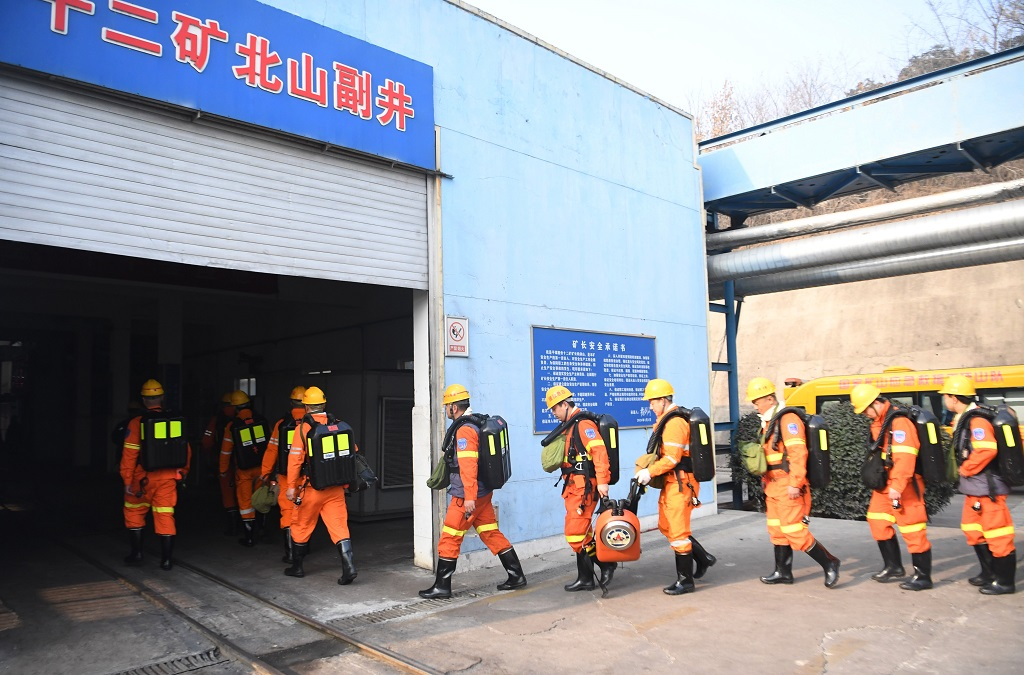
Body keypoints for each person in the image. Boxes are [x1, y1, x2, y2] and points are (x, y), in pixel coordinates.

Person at [419, 384, 527, 599]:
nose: (446, 410)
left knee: (450, 538)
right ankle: (517, 576)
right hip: (483, 495)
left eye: (446, 407)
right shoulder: (476, 423)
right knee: (490, 532)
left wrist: (468, 497)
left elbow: (468, 466)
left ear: (453, 407)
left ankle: (442, 586)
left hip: (467, 497)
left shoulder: (465, 430)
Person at [746, 377, 840, 588]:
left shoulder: (787, 419)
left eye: (757, 401)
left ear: (769, 399)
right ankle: (783, 572)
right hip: (773, 485)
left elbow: (798, 453)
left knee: (795, 531)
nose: (755, 405)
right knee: (777, 531)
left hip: (787, 483)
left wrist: (796, 483)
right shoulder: (770, 422)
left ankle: (830, 562)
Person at [633, 379, 716, 595]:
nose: (650, 406)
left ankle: (685, 581)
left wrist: (648, 472)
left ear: (662, 400)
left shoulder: (674, 423)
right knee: (666, 525)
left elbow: (671, 459)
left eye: (652, 402)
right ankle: (703, 558)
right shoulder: (666, 420)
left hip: (681, 483)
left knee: (678, 532)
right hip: (672, 482)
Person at [851, 383, 933, 591]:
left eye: (866, 410)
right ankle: (893, 566)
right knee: (877, 521)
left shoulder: (899, 422)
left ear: (875, 403)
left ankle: (923, 577)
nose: (865, 415)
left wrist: (897, 485)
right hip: (885, 484)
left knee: (912, 529)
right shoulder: (880, 421)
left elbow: (905, 457)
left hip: (904, 486)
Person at [940, 375, 1016, 595]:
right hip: (975, 490)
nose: (944, 400)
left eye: (945, 396)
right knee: (973, 530)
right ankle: (989, 573)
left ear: (953, 397)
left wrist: (966, 469)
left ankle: (1004, 582)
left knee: (998, 534)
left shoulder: (977, 420)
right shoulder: (963, 418)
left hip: (988, 490)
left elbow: (987, 449)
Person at [544, 385, 617, 592]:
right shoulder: (570, 425)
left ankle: (606, 564)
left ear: (564, 404)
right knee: (583, 533)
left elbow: (599, 452)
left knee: (575, 534)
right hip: (574, 487)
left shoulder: (583, 424)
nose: (553, 414)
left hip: (584, 489)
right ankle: (586, 578)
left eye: (555, 409)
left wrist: (603, 482)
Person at [283, 386, 357, 585]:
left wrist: (291, 486)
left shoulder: (304, 428)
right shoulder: (340, 425)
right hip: (336, 489)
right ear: (324, 404)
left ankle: (297, 567)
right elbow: (354, 451)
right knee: (339, 526)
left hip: (312, 488)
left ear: (306, 407)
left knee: (301, 525)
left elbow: (295, 459)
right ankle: (349, 566)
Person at [120, 379, 191, 570]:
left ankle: (137, 553)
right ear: (163, 398)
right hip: (168, 479)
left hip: (142, 479)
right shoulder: (175, 421)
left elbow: (130, 454)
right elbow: (186, 450)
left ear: (144, 400)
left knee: (134, 511)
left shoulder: (137, 423)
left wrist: (127, 479)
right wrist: (182, 472)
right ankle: (166, 560)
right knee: (165, 515)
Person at [261, 386, 307, 564]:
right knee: (304, 512)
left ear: (291, 402)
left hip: (287, 477)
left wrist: (265, 473)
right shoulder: (313, 424)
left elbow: (272, 450)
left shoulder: (281, 424)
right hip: (307, 477)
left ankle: (290, 554)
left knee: (288, 512)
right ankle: (303, 550)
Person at [220, 390, 270, 547]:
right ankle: (262, 529)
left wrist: (222, 470)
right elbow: (271, 445)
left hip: (244, 471)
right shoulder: (262, 420)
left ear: (235, 408)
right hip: (262, 469)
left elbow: (226, 451)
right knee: (261, 498)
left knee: (246, 503)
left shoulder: (232, 426)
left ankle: (249, 537)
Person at [202, 392, 239, 535]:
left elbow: (206, 441)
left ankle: (233, 526)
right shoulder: (246, 418)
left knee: (228, 494)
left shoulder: (217, 420)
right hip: (246, 464)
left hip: (224, 462)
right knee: (245, 493)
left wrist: (209, 457)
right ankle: (252, 526)